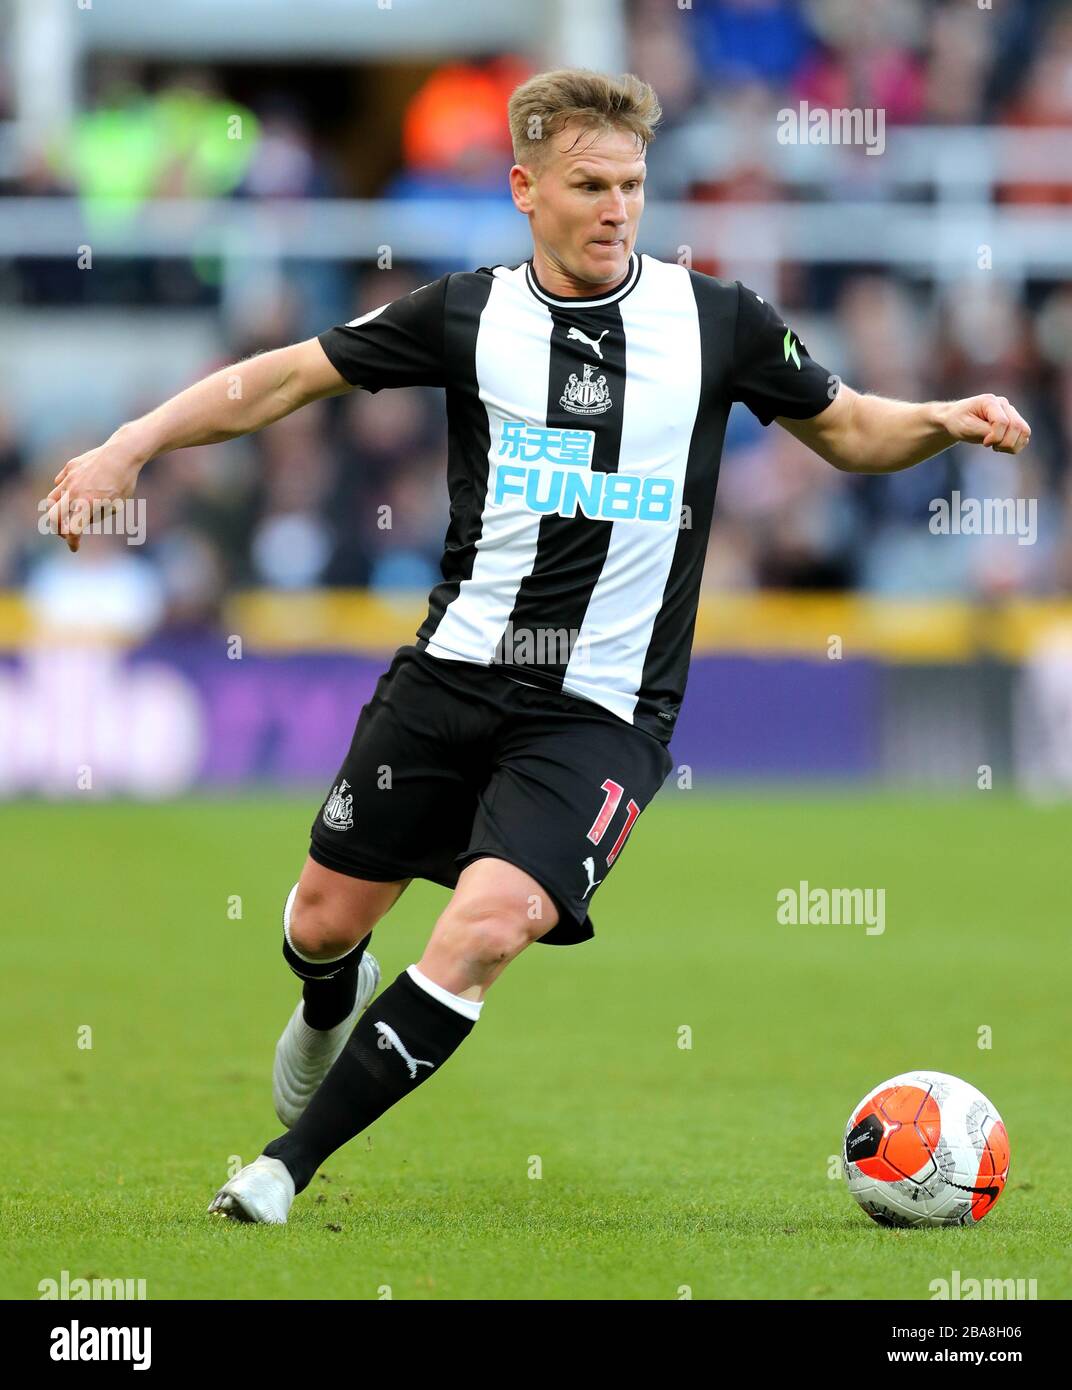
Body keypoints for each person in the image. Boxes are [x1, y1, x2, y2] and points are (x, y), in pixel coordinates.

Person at [43, 69, 1031, 1224]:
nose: (616, 209)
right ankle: (326, 1003)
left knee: (486, 925)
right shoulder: (465, 314)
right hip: (451, 675)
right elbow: (282, 381)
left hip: (601, 714)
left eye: (631, 185)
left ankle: (281, 1166)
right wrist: (131, 442)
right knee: (320, 924)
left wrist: (941, 421)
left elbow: (853, 428)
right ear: (523, 188)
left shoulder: (719, 323)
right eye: (588, 185)